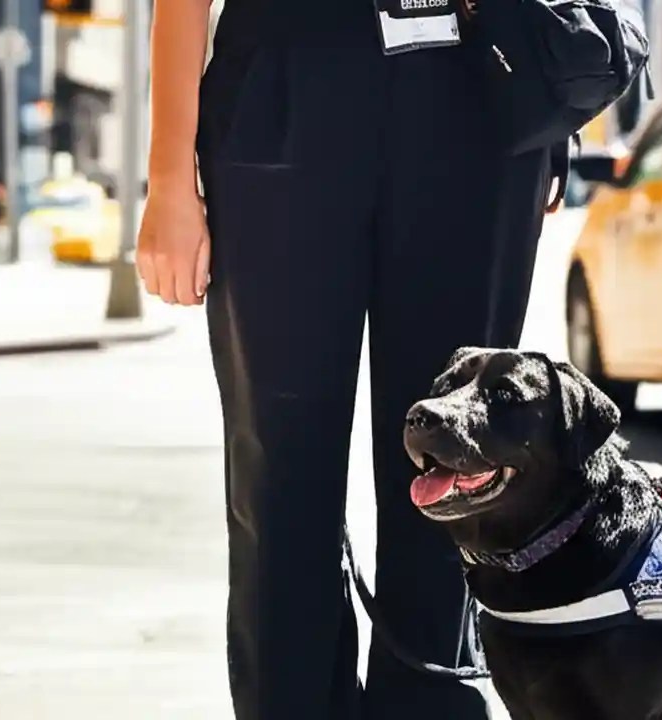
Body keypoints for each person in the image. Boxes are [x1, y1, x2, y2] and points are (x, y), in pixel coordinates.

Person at [137, 2, 552, 720]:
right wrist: (170, 180)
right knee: (282, 472)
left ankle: (432, 705)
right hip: (284, 86)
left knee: (457, 460)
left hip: (473, 86)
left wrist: (547, 93)